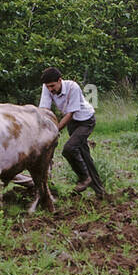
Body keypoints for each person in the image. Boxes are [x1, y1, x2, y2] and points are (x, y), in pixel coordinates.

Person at [39, 66, 105, 197]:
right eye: (48, 87)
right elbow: (44, 111)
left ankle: (84, 178)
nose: (50, 89)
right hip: (73, 123)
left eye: (52, 86)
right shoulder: (47, 88)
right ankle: (100, 192)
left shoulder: (73, 87)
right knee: (84, 154)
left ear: (59, 80)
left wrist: (53, 131)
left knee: (69, 149)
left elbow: (70, 114)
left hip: (85, 120)